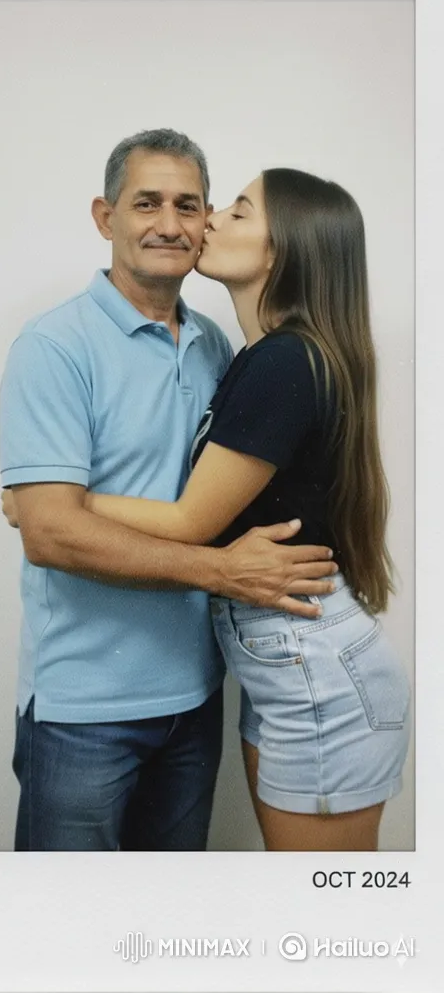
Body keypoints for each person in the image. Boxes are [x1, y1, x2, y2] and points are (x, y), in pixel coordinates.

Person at [0, 130, 336, 852]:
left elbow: (205, 507)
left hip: (195, 697)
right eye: (146, 203)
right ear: (105, 217)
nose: (169, 224)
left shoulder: (217, 345)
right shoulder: (54, 346)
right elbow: (50, 535)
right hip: (84, 711)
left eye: (188, 205)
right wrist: (221, 572)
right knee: (62, 920)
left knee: (169, 911)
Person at [80, 166, 411, 852]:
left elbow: (190, 524)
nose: (209, 219)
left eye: (238, 210)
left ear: (282, 248)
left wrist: (64, 502)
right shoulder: (263, 356)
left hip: (312, 667)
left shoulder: (285, 361)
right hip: (288, 663)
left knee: (327, 907)